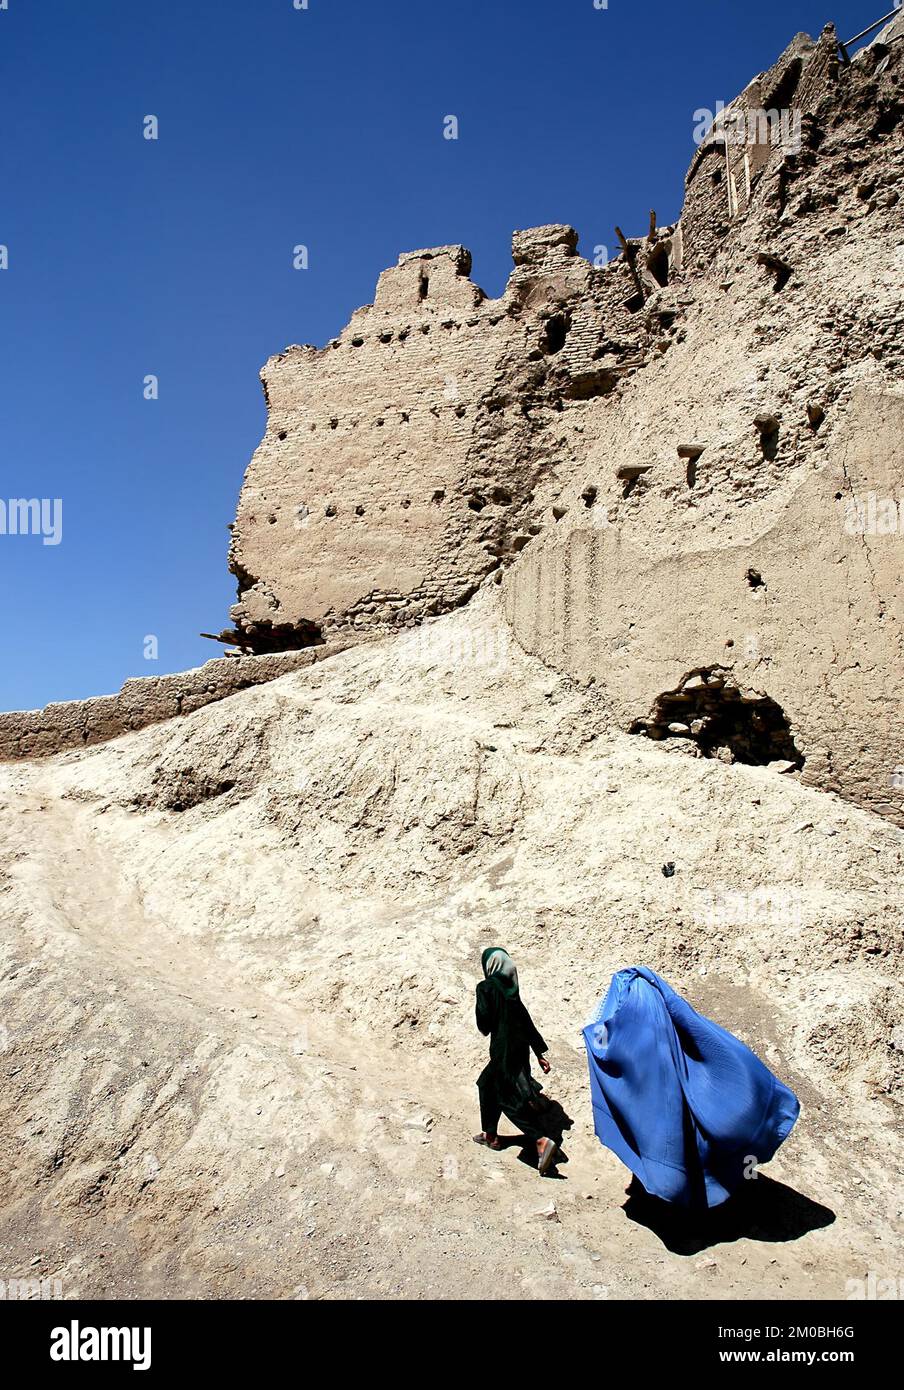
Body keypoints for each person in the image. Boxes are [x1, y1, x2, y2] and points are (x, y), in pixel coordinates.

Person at [473, 946, 560, 1175]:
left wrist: (483, 1004)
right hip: (519, 1050)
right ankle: (490, 1135)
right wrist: (540, 1053)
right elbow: (527, 1023)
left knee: (505, 1097)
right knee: (486, 1084)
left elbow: (484, 1026)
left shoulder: (486, 987)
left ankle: (540, 1140)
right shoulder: (512, 990)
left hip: (503, 1050)